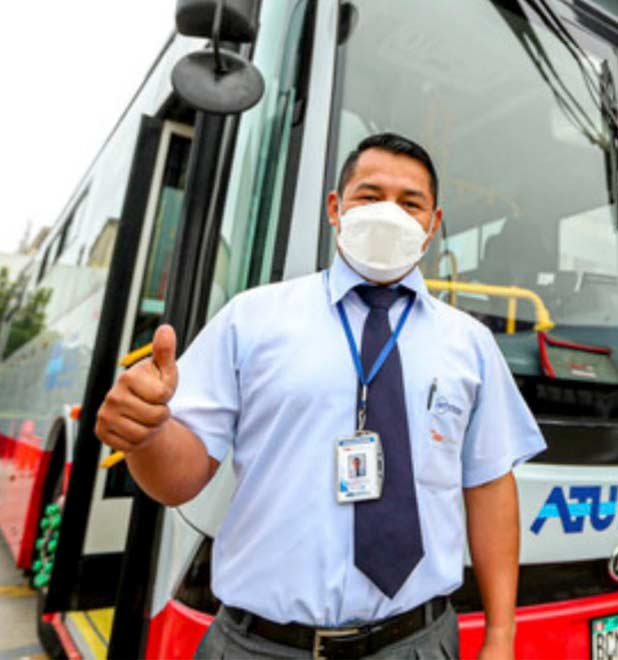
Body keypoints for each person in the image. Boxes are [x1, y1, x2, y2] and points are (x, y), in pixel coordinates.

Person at [95, 133, 545, 659]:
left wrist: (500, 635)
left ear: (432, 225)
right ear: (335, 208)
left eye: (410, 203)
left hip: (417, 644)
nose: (389, 214)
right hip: (259, 645)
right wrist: (147, 433)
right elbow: (180, 480)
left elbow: (490, 485)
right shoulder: (253, 318)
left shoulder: (469, 342)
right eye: (369, 196)